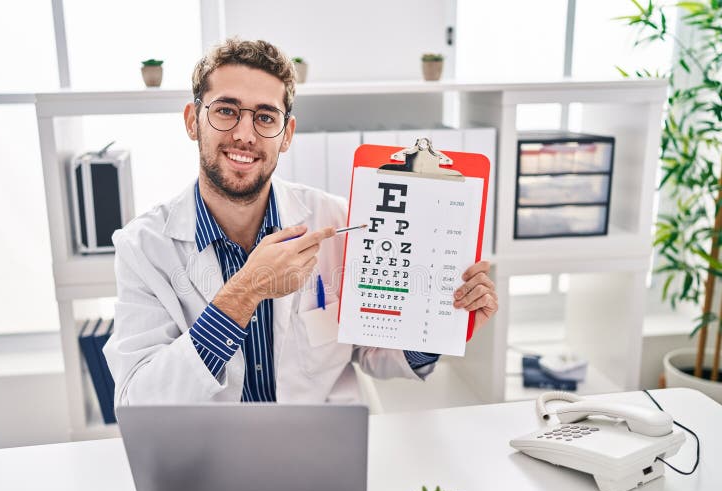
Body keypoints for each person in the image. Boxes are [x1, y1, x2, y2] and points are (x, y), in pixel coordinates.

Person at [104, 38, 498, 406]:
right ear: (193, 121)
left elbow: (371, 349)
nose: (245, 134)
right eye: (226, 111)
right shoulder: (143, 247)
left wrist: (441, 325)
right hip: (207, 455)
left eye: (265, 117)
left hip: (318, 444)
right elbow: (138, 400)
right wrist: (244, 292)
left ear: (287, 133)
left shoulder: (340, 221)